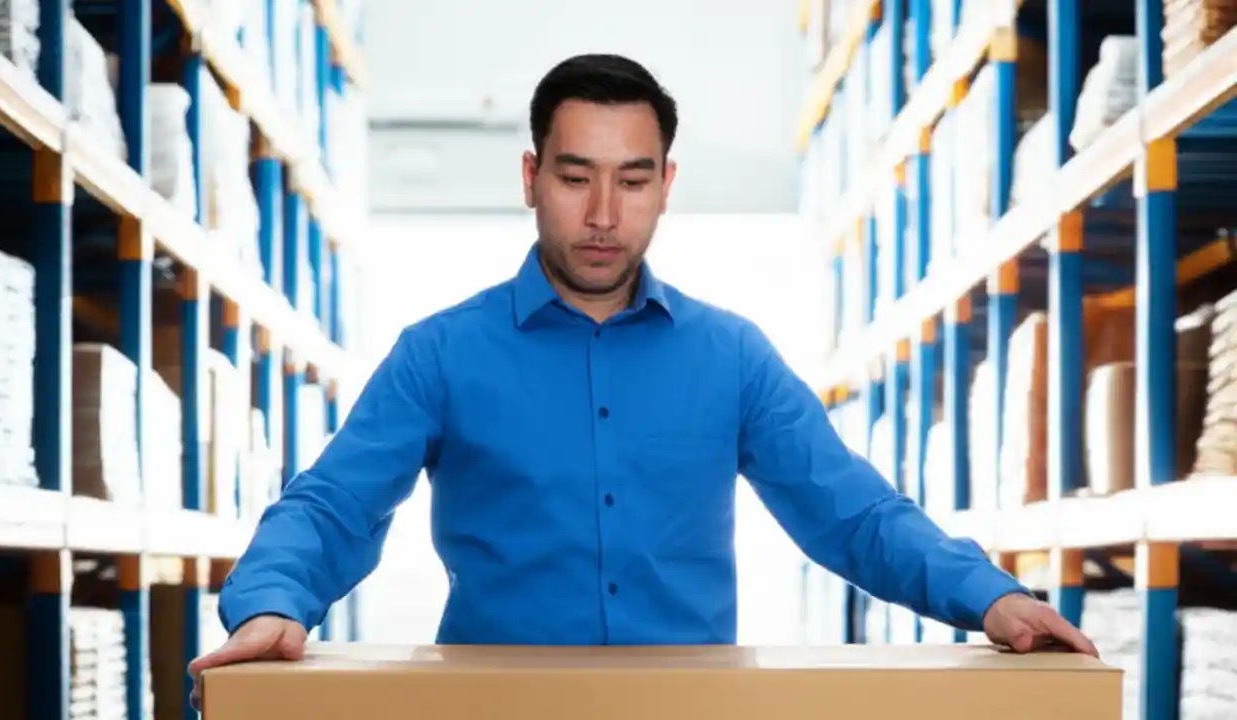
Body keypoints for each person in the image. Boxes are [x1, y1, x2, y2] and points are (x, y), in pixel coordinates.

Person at [189, 52, 1097, 705]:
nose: (601, 214)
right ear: (531, 178)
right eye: (575, 177)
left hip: (690, 710)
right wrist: (272, 602)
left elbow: (852, 513)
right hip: (489, 710)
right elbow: (334, 506)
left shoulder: (732, 356)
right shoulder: (439, 354)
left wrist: (991, 597)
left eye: (631, 180)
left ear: (666, 184)